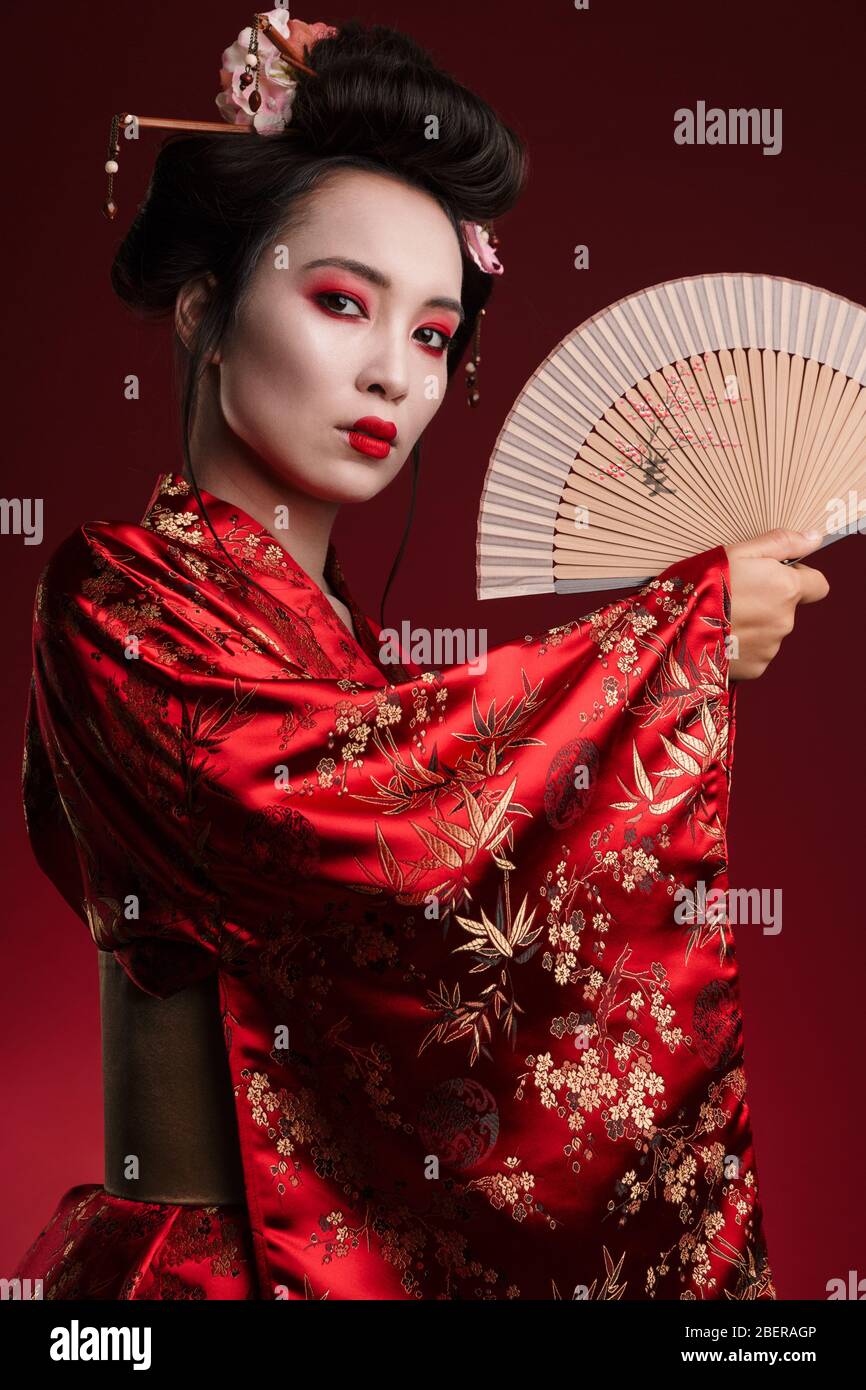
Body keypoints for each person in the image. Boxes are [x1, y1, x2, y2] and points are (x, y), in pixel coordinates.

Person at [13, 13, 828, 1301]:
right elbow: (332, 806)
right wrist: (674, 642)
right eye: (342, 303)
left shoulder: (351, 650)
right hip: (192, 1283)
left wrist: (671, 651)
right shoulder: (113, 597)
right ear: (204, 311)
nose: (392, 373)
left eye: (437, 335)